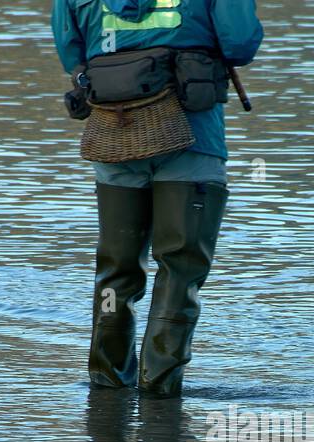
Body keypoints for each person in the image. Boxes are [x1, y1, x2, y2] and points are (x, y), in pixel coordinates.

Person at [51, 0, 263, 396]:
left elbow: (69, 51)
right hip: (193, 138)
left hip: (113, 133)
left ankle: (108, 382)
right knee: (180, 267)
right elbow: (240, 44)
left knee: (116, 268)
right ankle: (159, 389)